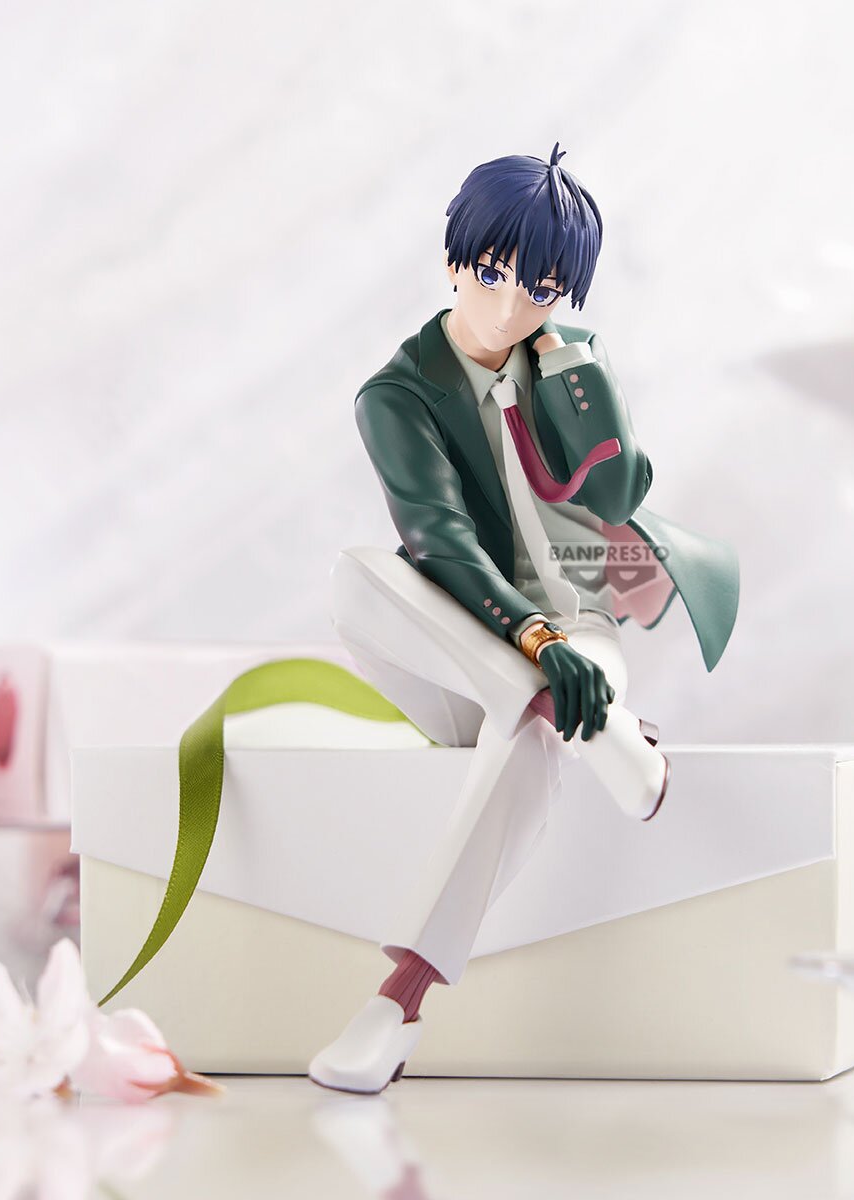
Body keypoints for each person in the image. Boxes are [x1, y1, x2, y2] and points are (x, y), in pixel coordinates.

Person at [308, 144, 739, 1095]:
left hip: (582, 634)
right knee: (356, 575)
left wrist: (580, 375)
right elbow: (442, 543)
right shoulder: (397, 395)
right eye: (493, 275)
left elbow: (619, 496)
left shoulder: (567, 364)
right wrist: (534, 647)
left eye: (541, 291)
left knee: (530, 738)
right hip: (471, 645)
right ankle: (592, 726)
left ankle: (396, 1005)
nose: (510, 310)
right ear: (454, 259)